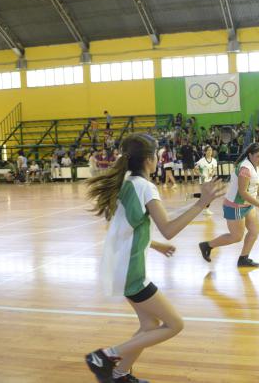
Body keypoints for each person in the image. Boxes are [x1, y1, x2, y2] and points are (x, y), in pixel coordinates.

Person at [84, 133, 224, 383]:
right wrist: (202, 202)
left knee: (150, 324)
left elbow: (131, 226)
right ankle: (105, 356)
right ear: (150, 159)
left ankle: (120, 375)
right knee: (174, 324)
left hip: (121, 266)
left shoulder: (126, 182)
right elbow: (169, 229)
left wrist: (155, 245)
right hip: (131, 270)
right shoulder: (145, 187)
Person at [198, 143, 259, 268]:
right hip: (235, 206)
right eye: (258, 156)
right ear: (250, 155)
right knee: (236, 237)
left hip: (247, 204)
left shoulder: (254, 166)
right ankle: (207, 245)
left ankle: (243, 259)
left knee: (255, 230)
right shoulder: (245, 169)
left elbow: (255, 187)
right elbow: (243, 192)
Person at [194, 145, 218, 216]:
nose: (210, 151)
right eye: (208, 150)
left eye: (211, 150)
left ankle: (192, 196)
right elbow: (195, 169)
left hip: (210, 180)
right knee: (208, 195)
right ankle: (206, 210)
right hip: (203, 180)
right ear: (205, 152)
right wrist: (200, 175)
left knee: (207, 195)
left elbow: (214, 169)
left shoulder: (214, 160)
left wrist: (212, 173)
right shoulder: (201, 161)